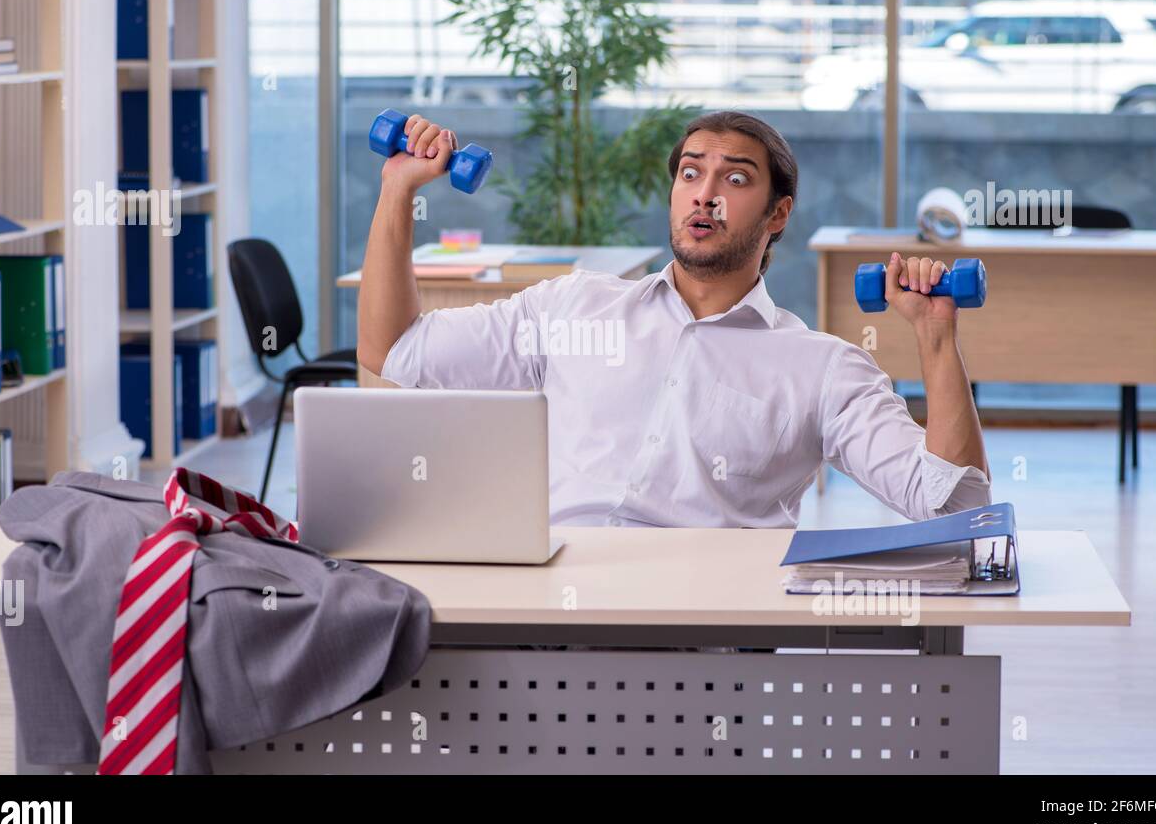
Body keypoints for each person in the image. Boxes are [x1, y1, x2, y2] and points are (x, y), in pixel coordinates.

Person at [358, 109, 991, 528]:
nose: (705, 194)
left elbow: (956, 507)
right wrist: (398, 190)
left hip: (701, 641)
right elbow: (393, 351)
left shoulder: (822, 369)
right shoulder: (571, 307)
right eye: (691, 173)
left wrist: (937, 341)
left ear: (777, 215)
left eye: (735, 179)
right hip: (550, 603)